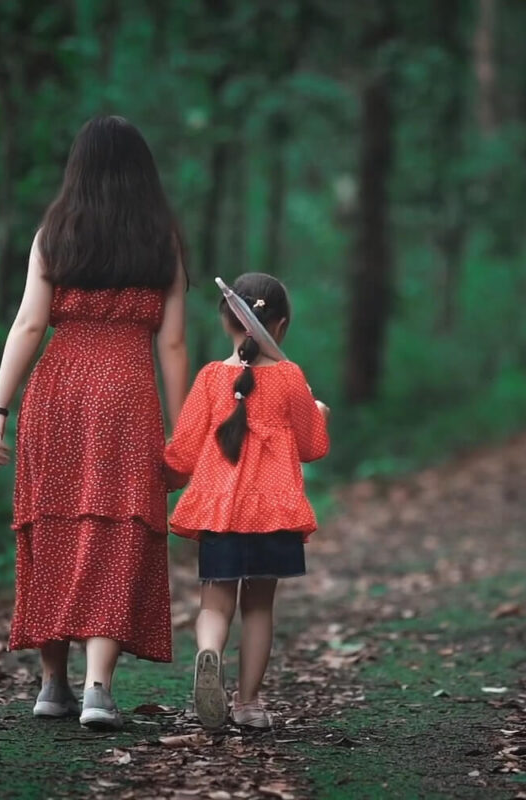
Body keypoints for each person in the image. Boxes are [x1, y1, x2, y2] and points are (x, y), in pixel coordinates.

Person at [0, 115, 188, 730]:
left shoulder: (56, 232)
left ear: (78, 168)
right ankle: (97, 688)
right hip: (127, 395)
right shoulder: (162, 239)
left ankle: (52, 684)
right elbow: (173, 347)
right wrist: (183, 435)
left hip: (58, 393)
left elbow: (28, 325)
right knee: (118, 527)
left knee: (53, 524)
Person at [164, 272, 330, 729]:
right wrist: (320, 413)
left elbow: (182, 450)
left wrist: (164, 478)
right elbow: (313, 447)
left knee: (215, 604)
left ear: (225, 322)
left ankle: (209, 654)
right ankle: (249, 703)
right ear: (279, 327)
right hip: (273, 511)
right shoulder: (291, 378)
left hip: (221, 510)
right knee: (259, 607)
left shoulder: (210, 379)